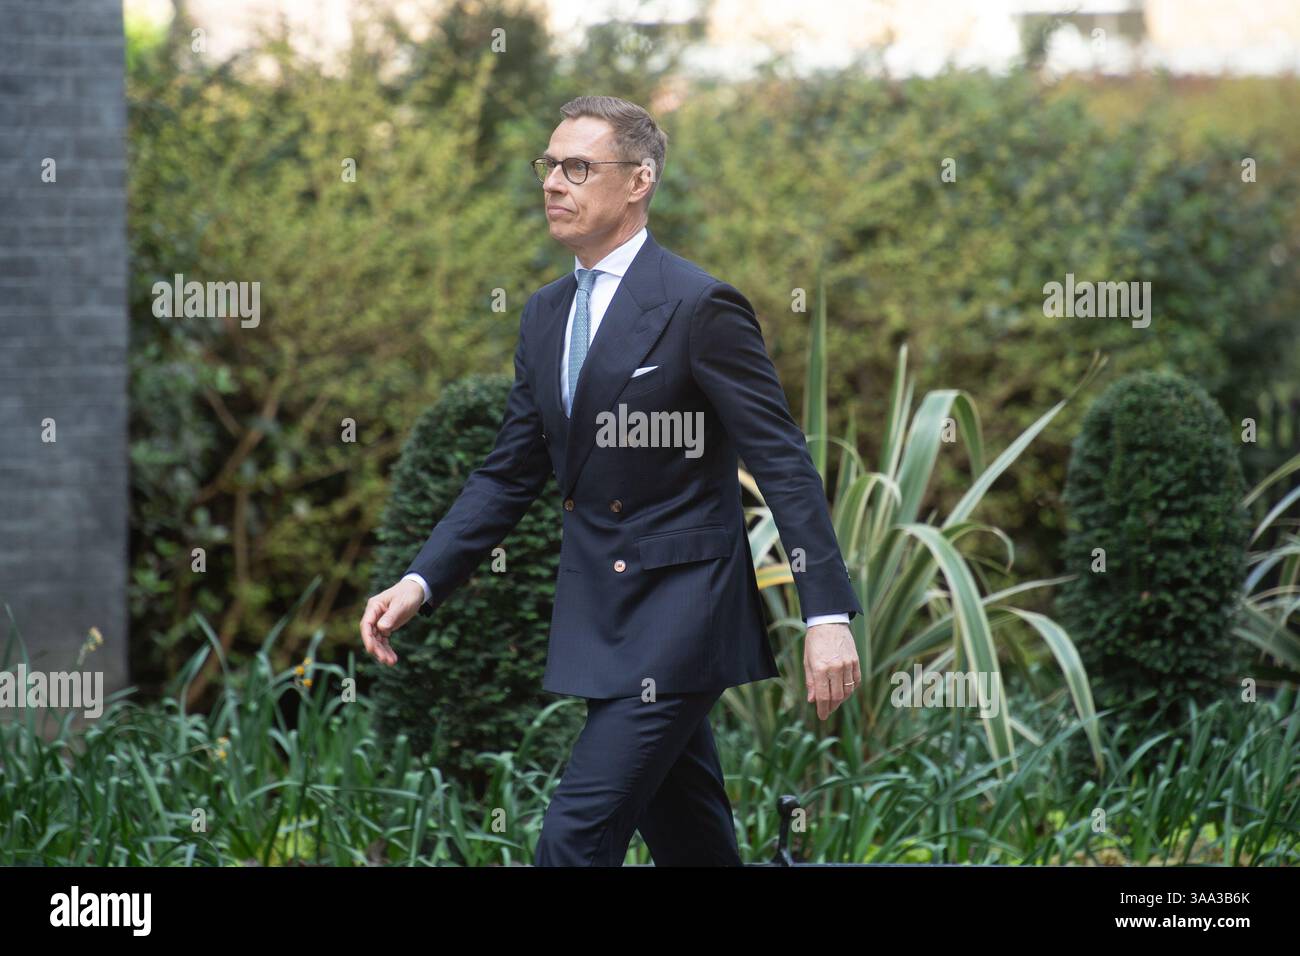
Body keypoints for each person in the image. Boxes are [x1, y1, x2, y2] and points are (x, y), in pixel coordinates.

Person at [359, 95, 862, 866]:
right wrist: (422, 580)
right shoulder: (546, 313)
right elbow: (510, 470)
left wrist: (826, 613)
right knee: (693, 842)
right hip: (605, 613)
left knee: (572, 841)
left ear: (639, 181)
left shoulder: (700, 305)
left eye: (578, 167)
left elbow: (781, 458)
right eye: (550, 166)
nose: (554, 183)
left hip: (682, 616)